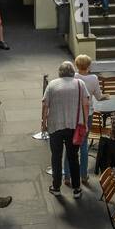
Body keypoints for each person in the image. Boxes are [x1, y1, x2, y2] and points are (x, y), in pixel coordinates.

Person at [42, 60, 90, 198]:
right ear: (72, 72)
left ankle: (56, 187)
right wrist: (85, 122)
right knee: (73, 157)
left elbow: (45, 105)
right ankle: (76, 189)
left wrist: (43, 122)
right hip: (74, 126)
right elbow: (86, 104)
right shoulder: (80, 84)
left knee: (56, 157)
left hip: (55, 125)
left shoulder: (52, 84)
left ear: (60, 72)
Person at [65, 54, 105, 185]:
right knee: (83, 145)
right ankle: (83, 175)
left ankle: (67, 175)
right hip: (87, 115)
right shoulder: (93, 78)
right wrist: (107, 96)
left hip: (73, 114)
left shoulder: (73, 77)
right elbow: (98, 97)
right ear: (88, 66)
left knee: (70, 144)